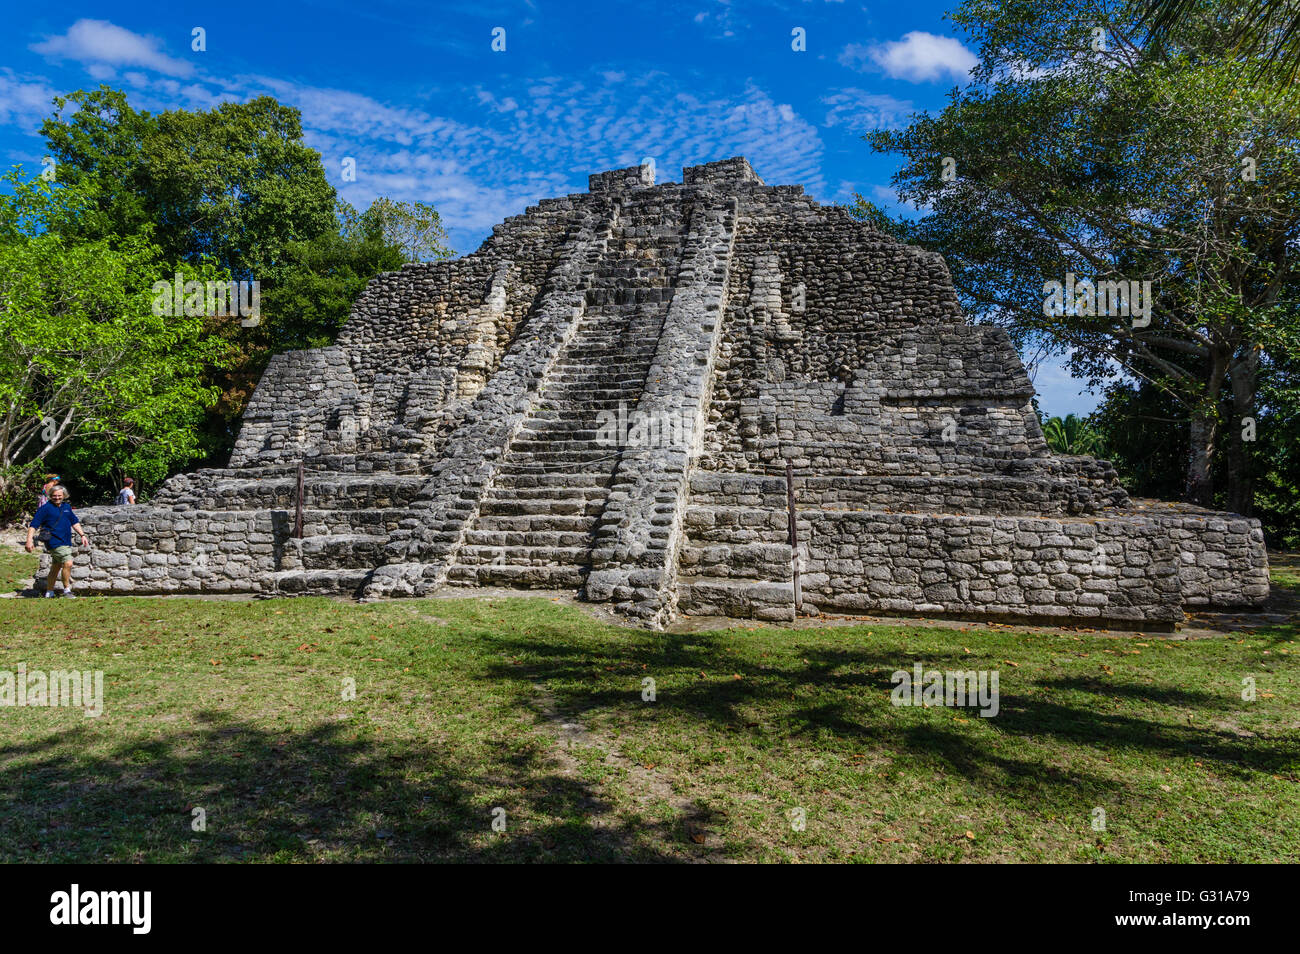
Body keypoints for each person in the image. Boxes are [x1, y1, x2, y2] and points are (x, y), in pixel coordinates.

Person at [25, 484, 89, 598]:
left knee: (56, 566)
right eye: (54, 496)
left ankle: (49, 592)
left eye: (59, 495)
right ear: (50, 496)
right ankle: (67, 590)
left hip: (65, 541)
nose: (57, 498)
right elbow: (33, 525)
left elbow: (74, 522)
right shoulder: (45, 508)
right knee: (68, 562)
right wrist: (29, 541)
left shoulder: (66, 507)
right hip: (53, 541)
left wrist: (82, 535)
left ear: (64, 495)